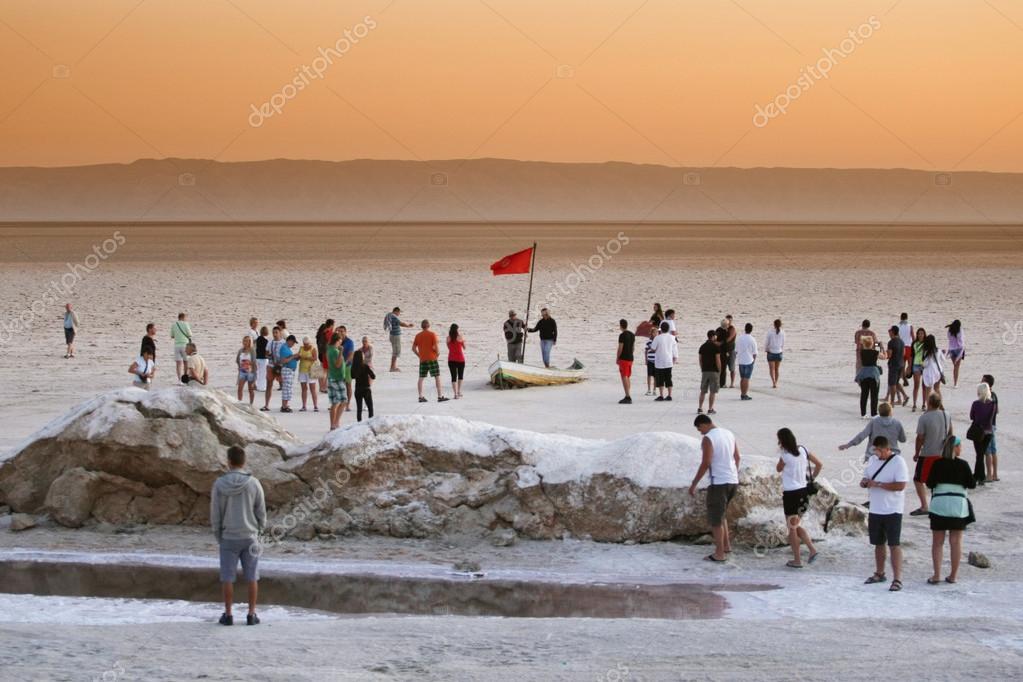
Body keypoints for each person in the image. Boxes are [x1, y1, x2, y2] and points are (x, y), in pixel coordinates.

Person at [211, 445, 266, 626]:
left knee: (227, 577)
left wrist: (218, 535)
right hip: (250, 536)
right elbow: (261, 511)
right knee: (252, 576)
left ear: (229, 461)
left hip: (228, 536)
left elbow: (216, 513)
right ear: (244, 461)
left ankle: (228, 614)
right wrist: (260, 531)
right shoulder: (254, 483)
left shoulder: (219, 484)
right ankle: (251, 614)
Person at [689, 414, 740, 563]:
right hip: (732, 481)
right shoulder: (729, 433)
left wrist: (694, 483)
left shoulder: (708, 438)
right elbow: (737, 457)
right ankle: (726, 546)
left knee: (716, 520)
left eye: (699, 429)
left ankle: (719, 554)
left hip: (719, 482)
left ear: (704, 424)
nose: (701, 433)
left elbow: (706, 462)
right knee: (722, 515)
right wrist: (733, 473)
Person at [861, 436, 909, 592]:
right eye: (875, 450)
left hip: (893, 509)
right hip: (875, 508)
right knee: (878, 543)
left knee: (894, 544)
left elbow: (901, 485)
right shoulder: (873, 460)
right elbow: (866, 476)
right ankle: (879, 573)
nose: (877, 453)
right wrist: (864, 482)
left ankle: (897, 578)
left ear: (887, 449)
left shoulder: (898, 462)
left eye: (880, 450)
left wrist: (879, 484)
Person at [926, 436, 975, 585]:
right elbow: (972, 484)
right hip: (957, 506)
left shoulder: (937, 464)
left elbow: (929, 483)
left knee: (937, 542)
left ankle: (937, 575)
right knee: (956, 542)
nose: (961, 449)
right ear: (955, 448)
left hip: (939, 504)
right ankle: (953, 575)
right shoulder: (963, 464)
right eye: (960, 446)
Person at [775, 428, 821, 568]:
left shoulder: (785, 455)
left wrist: (782, 454)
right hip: (804, 492)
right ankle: (812, 550)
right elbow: (819, 464)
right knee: (794, 525)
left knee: (792, 529)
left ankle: (797, 560)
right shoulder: (803, 449)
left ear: (781, 441)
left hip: (791, 495)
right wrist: (811, 478)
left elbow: (778, 469)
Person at [911, 393, 951, 515]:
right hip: (942, 453)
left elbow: (920, 438)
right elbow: (950, 433)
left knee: (918, 479)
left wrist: (916, 453)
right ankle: (938, 505)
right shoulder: (946, 415)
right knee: (938, 480)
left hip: (928, 453)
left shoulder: (924, 418)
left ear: (929, 403)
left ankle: (924, 506)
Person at [839, 402, 907, 461]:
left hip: (874, 455)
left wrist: (849, 444)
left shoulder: (874, 421)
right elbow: (903, 440)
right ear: (890, 412)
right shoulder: (897, 423)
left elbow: (862, 435)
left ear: (879, 412)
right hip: (892, 455)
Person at [968, 382, 997, 485]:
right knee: (981, 454)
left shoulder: (976, 404)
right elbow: (992, 417)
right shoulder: (993, 404)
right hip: (989, 432)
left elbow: (971, 416)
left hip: (978, 431)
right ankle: (980, 476)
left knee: (979, 455)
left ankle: (978, 476)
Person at [413, 320, 448, 403]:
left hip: (423, 359)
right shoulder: (432, 334)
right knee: (437, 376)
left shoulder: (418, 335)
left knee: (421, 378)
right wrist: (437, 354)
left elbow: (413, 348)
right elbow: (436, 347)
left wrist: (419, 356)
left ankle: (420, 396)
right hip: (432, 358)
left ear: (422, 326)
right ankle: (440, 396)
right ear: (428, 326)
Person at [650, 321, 678, 401]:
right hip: (669, 361)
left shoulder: (657, 338)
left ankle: (661, 395)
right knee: (669, 378)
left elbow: (653, 348)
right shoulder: (672, 338)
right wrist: (675, 359)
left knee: (660, 379)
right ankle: (669, 395)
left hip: (659, 362)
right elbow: (675, 350)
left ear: (661, 329)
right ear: (668, 329)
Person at [855, 335, 882, 419]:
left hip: (864, 373)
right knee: (874, 395)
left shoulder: (862, 352)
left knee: (864, 394)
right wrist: (880, 347)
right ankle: (874, 413)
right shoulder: (875, 352)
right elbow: (884, 356)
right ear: (872, 343)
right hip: (873, 373)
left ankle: (863, 413)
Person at [326, 332, 348, 430]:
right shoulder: (334, 351)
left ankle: (333, 424)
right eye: (340, 340)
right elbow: (338, 365)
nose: (341, 342)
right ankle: (335, 423)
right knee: (342, 401)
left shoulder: (329, 349)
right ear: (338, 340)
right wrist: (341, 352)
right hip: (337, 378)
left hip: (333, 377)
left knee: (336, 402)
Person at [697, 330, 720, 414]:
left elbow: (700, 360)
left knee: (703, 391)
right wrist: (719, 370)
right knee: (712, 391)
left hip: (705, 371)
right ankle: (710, 409)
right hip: (713, 371)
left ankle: (700, 408)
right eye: (715, 336)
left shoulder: (702, 346)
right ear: (713, 336)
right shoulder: (716, 347)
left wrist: (702, 368)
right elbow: (718, 360)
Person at [885, 326, 910, 407]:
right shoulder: (902, 341)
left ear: (892, 332)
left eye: (890, 331)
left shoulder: (891, 342)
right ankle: (905, 396)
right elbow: (903, 353)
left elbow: (889, 355)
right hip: (901, 364)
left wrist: (885, 353)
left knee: (892, 383)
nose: (889, 333)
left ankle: (892, 402)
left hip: (893, 364)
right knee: (896, 382)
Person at [261, 326, 283, 412]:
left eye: (276, 332)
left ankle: (284, 404)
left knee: (284, 385)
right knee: (269, 385)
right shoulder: (270, 342)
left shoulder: (283, 343)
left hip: (281, 366)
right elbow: (266, 354)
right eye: (273, 332)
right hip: (271, 365)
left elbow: (287, 354)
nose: (275, 334)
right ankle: (266, 404)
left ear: (280, 333)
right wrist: (269, 355)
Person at [384, 307, 414, 372]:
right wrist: (408, 326)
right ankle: (392, 367)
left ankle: (393, 366)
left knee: (395, 351)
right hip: (395, 336)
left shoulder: (389, 315)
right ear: (396, 311)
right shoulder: (394, 316)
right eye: (399, 313)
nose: (399, 314)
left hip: (392, 335)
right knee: (396, 352)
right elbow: (401, 323)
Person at [982, 374, 999, 482]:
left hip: (987, 426)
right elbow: (997, 410)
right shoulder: (994, 395)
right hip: (993, 425)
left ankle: (989, 475)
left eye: (982, 381)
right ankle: (995, 474)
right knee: (993, 450)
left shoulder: (987, 396)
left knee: (987, 451)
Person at [351, 349, 376, 421]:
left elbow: (352, 376)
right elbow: (373, 376)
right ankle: (370, 422)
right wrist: (370, 370)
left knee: (359, 409)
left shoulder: (353, 368)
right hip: (366, 389)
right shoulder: (365, 366)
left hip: (358, 389)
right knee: (370, 408)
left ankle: (359, 423)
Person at [735, 322, 757, 401]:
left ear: (745, 329)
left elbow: (736, 350)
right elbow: (755, 353)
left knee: (742, 378)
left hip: (741, 360)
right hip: (748, 360)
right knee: (746, 378)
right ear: (751, 330)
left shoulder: (740, 338)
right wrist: (753, 361)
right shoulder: (752, 339)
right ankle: (744, 394)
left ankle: (742, 393)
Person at [921, 334, 945, 405]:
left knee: (928, 391)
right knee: (937, 389)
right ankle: (940, 404)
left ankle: (928, 406)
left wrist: (921, 364)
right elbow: (943, 359)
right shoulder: (938, 350)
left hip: (930, 373)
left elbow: (925, 364)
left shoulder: (926, 352)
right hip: (938, 371)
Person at [277, 335, 299, 413]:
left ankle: (285, 404)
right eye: (293, 342)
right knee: (286, 388)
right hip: (287, 370)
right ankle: (284, 406)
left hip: (289, 370)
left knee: (288, 388)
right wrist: (294, 356)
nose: (293, 344)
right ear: (290, 341)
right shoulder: (284, 348)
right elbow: (284, 361)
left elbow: (288, 358)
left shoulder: (287, 348)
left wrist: (296, 357)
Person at [297, 337, 319, 412]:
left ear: (310, 343)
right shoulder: (301, 348)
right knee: (303, 388)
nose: (305, 345)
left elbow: (315, 358)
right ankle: (304, 406)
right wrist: (298, 356)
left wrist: (306, 357)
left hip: (311, 370)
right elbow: (298, 357)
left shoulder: (313, 348)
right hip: (302, 370)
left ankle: (315, 406)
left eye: (307, 344)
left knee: (313, 389)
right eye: (304, 344)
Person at [616, 319, 635, 404]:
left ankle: (628, 396)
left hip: (624, 358)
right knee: (627, 376)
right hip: (630, 358)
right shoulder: (632, 334)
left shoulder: (622, 335)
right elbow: (633, 348)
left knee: (624, 376)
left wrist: (617, 357)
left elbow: (620, 348)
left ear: (621, 326)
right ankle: (628, 394)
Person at [170, 312, 193, 382]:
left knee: (178, 363)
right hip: (185, 345)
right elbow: (190, 334)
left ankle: (179, 379)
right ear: (183, 317)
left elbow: (172, 336)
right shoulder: (186, 324)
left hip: (177, 346)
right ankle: (185, 377)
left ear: (178, 317)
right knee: (185, 362)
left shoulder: (174, 325)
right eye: (185, 318)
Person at [338, 326, 356, 412]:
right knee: (339, 385)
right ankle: (338, 403)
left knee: (348, 385)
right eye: (339, 331)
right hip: (338, 366)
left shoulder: (349, 342)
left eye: (342, 331)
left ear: (345, 332)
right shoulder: (337, 341)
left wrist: (345, 363)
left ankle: (347, 404)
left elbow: (351, 354)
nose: (340, 333)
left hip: (347, 366)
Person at [446, 324, 466, 400]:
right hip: (460, 359)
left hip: (451, 359)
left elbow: (449, 348)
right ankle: (459, 391)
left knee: (453, 377)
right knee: (460, 376)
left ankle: (455, 394)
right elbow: (464, 347)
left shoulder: (448, 338)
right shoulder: (460, 337)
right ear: (457, 330)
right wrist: (463, 341)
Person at [910, 327, 927, 411]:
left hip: (925, 365)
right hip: (916, 364)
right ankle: (914, 404)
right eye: (919, 333)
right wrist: (909, 366)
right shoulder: (914, 343)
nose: (920, 335)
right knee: (916, 385)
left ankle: (924, 404)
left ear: (924, 334)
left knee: (924, 386)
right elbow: (911, 355)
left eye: (922, 333)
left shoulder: (926, 343)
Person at [236, 336, 257, 404]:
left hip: (250, 372)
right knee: (240, 388)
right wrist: (239, 367)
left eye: (247, 341)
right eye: (244, 341)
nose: (245, 342)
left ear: (250, 342)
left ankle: (251, 404)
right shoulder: (240, 350)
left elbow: (254, 363)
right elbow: (237, 360)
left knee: (250, 389)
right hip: (242, 372)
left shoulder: (252, 351)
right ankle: (239, 402)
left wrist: (254, 374)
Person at [315, 318, 335, 392]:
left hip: (320, 353)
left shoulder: (320, 333)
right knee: (326, 371)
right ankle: (324, 387)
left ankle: (321, 387)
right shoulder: (328, 332)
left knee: (322, 370)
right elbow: (331, 343)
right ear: (331, 325)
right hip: (326, 353)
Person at [765, 319, 785, 388]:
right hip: (779, 352)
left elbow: (767, 342)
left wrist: (766, 349)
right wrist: (781, 349)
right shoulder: (783, 332)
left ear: (774, 324)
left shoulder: (770, 332)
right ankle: (776, 382)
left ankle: (773, 382)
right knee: (777, 369)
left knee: (771, 369)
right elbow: (783, 343)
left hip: (771, 352)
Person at [945, 320, 965, 388]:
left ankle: (955, 383)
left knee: (955, 366)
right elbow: (962, 343)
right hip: (959, 349)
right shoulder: (960, 330)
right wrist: (959, 356)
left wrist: (948, 352)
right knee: (957, 367)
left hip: (952, 350)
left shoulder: (949, 330)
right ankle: (955, 383)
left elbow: (949, 340)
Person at [898, 313, 914, 387]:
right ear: (907, 318)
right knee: (910, 364)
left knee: (902, 365)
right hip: (909, 347)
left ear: (900, 317)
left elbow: (897, 337)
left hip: (901, 347)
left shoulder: (897, 326)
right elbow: (913, 337)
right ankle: (908, 375)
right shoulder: (910, 326)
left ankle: (904, 379)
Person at [722, 315, 737, 388]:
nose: (729, 322)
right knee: (723, 368)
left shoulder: (732, 329)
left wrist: (721, 342)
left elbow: (729, 338)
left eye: (730, 320)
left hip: (731, 350)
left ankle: (732, 383)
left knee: (732, 368)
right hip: (723, 350)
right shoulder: (722, 328)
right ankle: (723, 383)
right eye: (728, 320)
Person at [254, 326, 269, 394]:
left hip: (257, 357)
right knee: (263, 373)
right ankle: (262, 387)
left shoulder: (258, 339)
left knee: (258, 372)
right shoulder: (266, 341)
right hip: (264, 358)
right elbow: (267, 350)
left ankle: (257, 385)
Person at [644, 326, 657, 396]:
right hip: (650, 360)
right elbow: (646, 351)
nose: (655, 334)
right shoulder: (648, 341)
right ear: (651, 333)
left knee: (655, 376)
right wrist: (646, 360)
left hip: (656, 360)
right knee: (649, 375)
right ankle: (649, 390)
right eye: (654, 333)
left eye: (656, 333)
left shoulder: (657, 341)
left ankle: (654, 390)